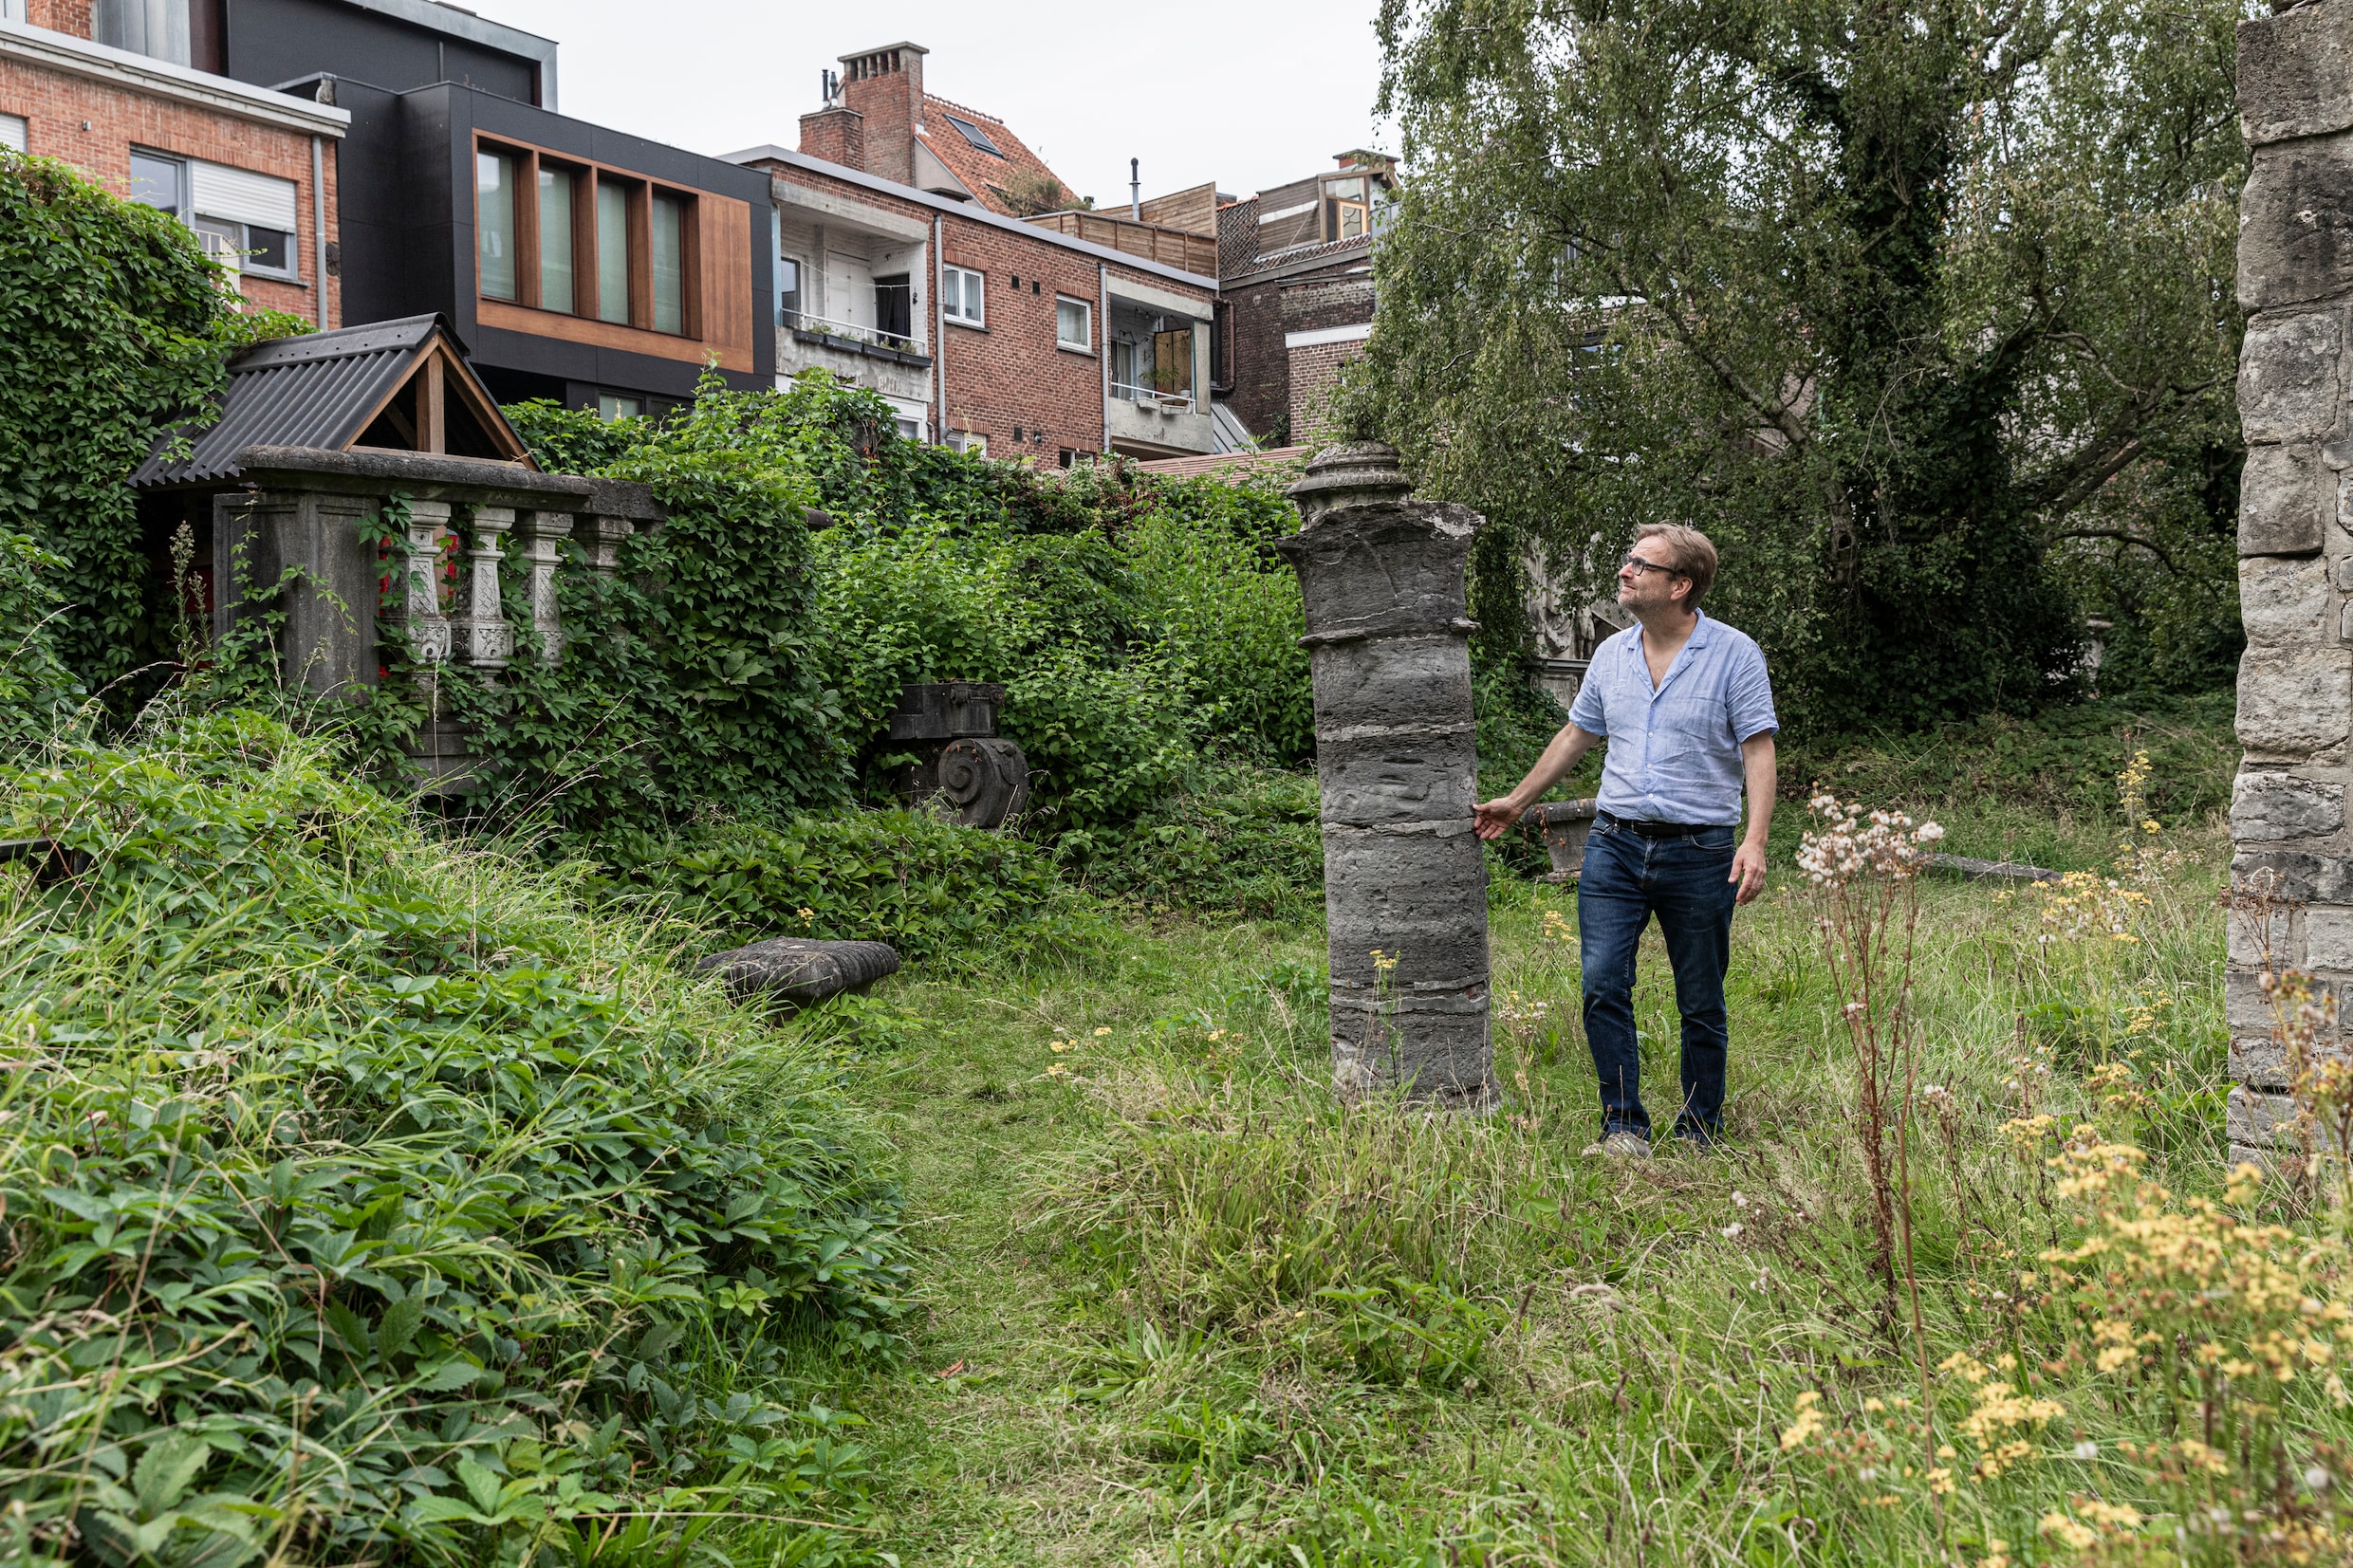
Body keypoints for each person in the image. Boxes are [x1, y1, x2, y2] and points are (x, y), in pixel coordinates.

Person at [1473, 525, 1777, 1156]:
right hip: (1613, 845)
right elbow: (1575, 735)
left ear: (1680, 584)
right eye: (1628, 561)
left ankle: (1700, 1131)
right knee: (1602, 983)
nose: (1625, 571)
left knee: (1700, 997)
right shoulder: (1611, 656)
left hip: (1700, 851)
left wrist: (1754, 840)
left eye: (1642, 564)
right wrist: (1517, 801)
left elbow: (1758, 749)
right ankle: (1623, 1127)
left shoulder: (1735, 654)